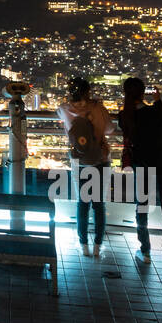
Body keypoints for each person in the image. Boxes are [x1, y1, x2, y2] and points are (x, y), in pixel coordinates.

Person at [118, 77, 162, 268]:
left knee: (142, 206)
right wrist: (158, 101)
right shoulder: (154, 111)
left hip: (142, 164)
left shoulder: (124, 116)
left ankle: (145, 250)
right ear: (143, 93)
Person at [56, 76, 113, 257]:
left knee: (83, 203)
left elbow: (59, 111)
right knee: (99, 204)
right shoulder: (98, 108)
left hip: (80, 162)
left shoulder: (66, 109)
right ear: (88, 91)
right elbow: (110, 129)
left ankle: (83, 244)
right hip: (101, 159)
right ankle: (97, 245)